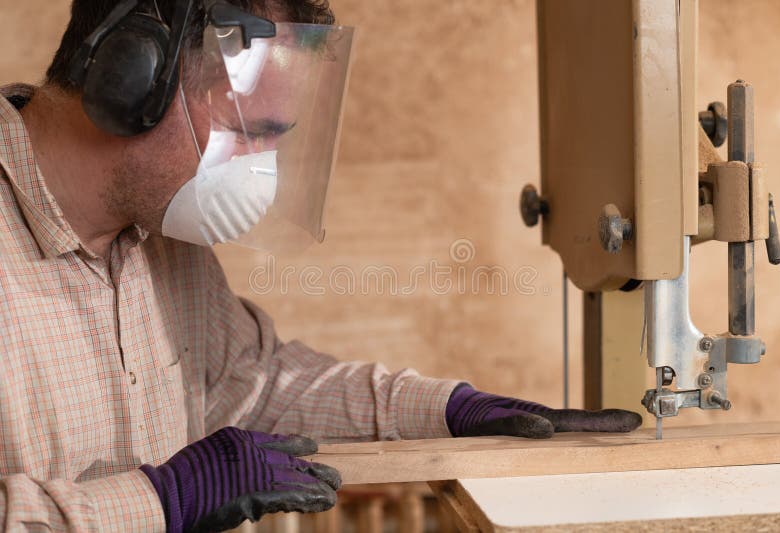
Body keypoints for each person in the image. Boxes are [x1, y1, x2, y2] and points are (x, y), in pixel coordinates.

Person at [0, 0, 642, 531]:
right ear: (130, 76)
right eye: (253, 130)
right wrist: (159, 501)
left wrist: (445, 410)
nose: (261, 171)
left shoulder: (161, 237)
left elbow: (249, 384)